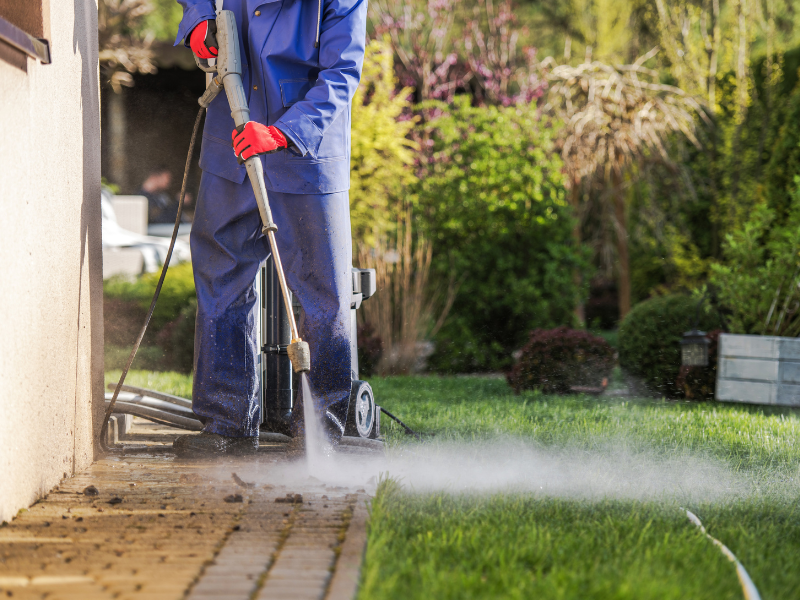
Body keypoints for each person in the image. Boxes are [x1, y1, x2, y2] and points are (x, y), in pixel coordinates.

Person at [172, 0, 367, 456]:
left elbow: (342, 73)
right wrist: (197, 18)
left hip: (303, 155)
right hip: (231, 144)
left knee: (322, 293)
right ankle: (227, 426)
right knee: (221, 280)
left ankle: (321, 431)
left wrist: (282, 133)